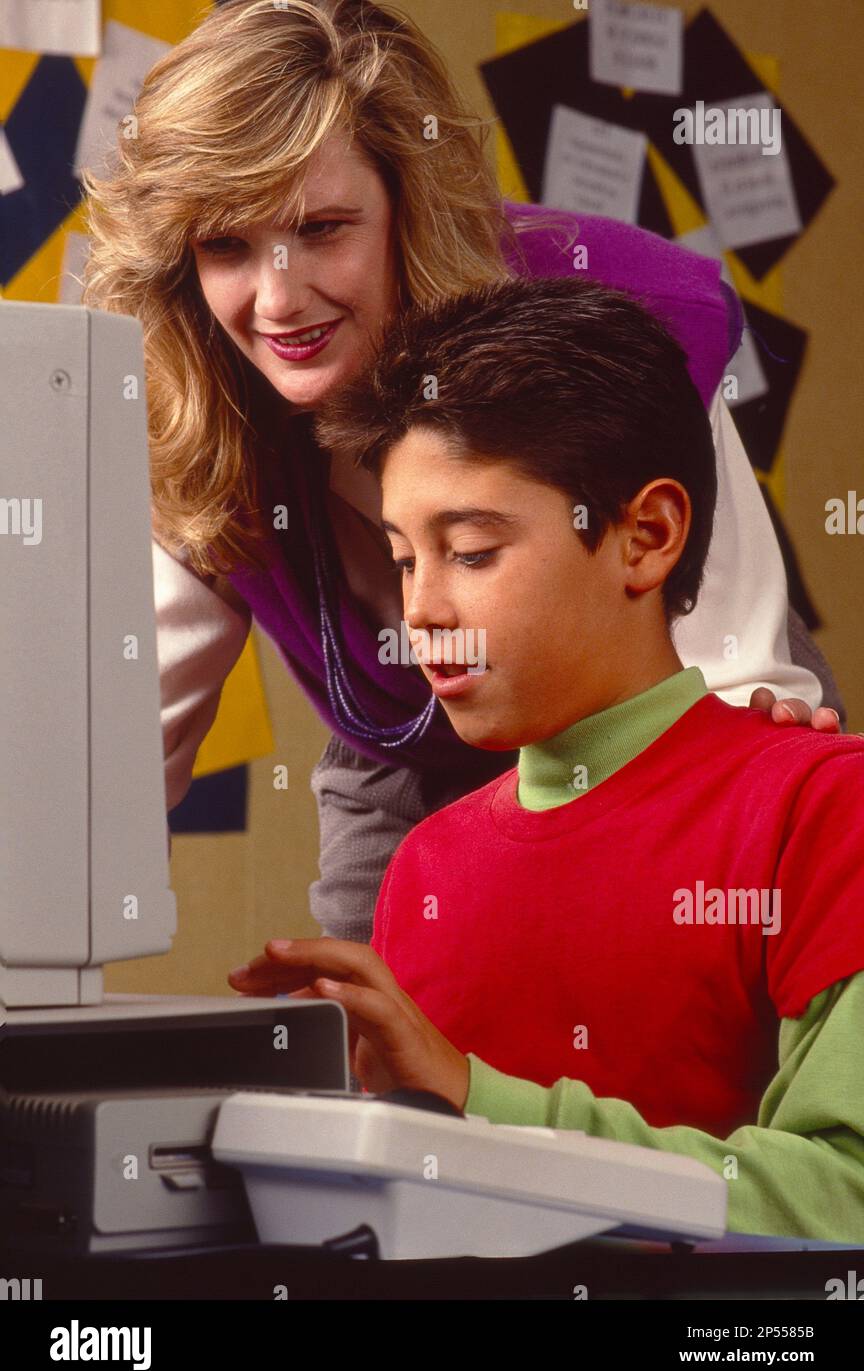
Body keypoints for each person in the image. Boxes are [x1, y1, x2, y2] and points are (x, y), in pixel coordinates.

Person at [81, 0, 842, 950]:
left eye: (322, 228)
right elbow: (110, 761)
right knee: (381, 1033)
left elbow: (737, 680)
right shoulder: (198, 403)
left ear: (408, 205)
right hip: (400, 741)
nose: (277, 300)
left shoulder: (619, 312)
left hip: (676, 715)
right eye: (226, 245)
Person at [229, 276, 864, 1241]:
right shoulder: (422, 869)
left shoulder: (823, 809)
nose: (422, 613)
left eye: (474, 551)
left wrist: (480, 1104)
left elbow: (846, 1197)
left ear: (645, 538)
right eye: (405, 559)